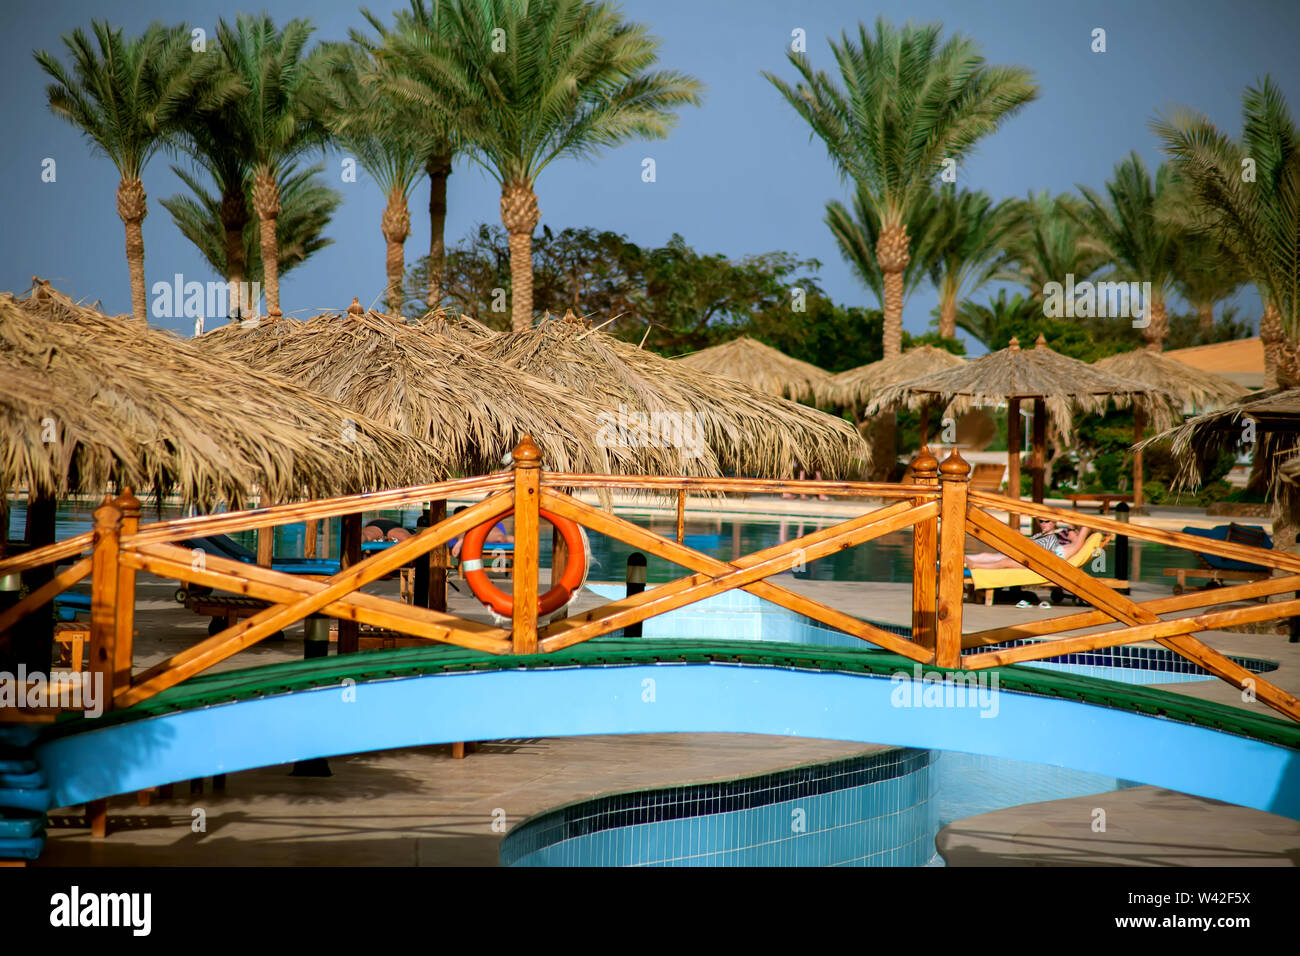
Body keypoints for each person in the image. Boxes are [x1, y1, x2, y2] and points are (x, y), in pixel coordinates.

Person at [964, 520, 1090, 570]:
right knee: (990, 556)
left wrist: (1082, 526)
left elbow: (1085, 529)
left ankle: (974, 565)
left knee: (1005, 562)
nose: (1068, 532)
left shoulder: (1074, 547)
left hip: (1039, 564)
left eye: (1071, 531)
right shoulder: (1068, 547)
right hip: (1035, 558)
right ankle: (963, 559)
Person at [448, 505, 513, 559]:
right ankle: (462, 540)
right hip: (479, 532)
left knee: (501, 538)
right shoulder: (457, 526)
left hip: (480, 532)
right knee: (501, 538)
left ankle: (462, 540)